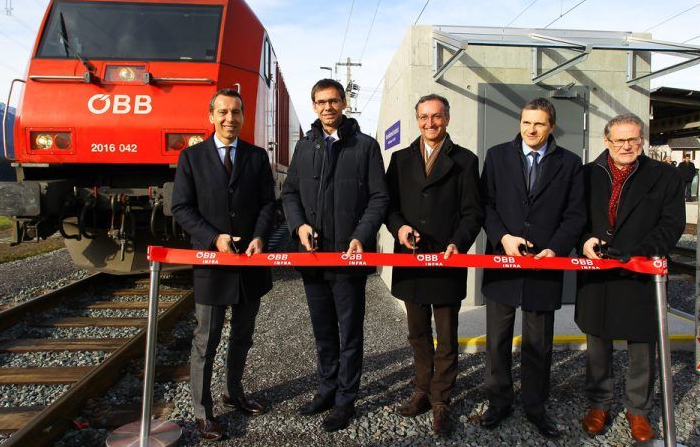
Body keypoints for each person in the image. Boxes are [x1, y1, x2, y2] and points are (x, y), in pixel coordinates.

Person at [281, 78, 389, 432]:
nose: (327, 107)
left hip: (348, 257)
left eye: (333, 100)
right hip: (312, 257)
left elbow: (379, 198)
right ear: (314, 106)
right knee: (323, 330)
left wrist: (360, 236)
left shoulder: (366, 147)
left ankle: (346, 400)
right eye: (320, 102)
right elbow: (290, 193)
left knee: (350, 332)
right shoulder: (304, 147)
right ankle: (327, 389)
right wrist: (298, 227)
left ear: (344, 103)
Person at [171, 88, 276, 441]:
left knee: (242, 336)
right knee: (207, 339)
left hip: (250, 263)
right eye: (223, 112)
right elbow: (181, 208)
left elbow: (267, 204)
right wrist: (214, 237)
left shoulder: (257, 157)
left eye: (236, 112)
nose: (230, 118)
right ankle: (202, 412)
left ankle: (234, 392)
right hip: (212, 264)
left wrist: (260, 236)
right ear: (211, 116)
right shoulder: (191, 158)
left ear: (243, 117)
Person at [479, 97, 586, 439]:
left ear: (551, 126)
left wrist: (555, 248)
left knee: (539, 343)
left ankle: (535, 404)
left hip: (545, 264)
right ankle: (499, 401)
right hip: (503, 261)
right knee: (497, 339)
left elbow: (575, 214)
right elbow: (486, 204)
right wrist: (502, 238)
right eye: (526, 122)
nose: (531, 129)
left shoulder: (569, 163)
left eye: (539, 123)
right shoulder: (497, 156)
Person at [576, 113, 685, 442]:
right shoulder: (586, 175)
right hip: (599, 273)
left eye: (633, 139)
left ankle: (638, 410)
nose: (626, 146)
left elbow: (671, 223)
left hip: (640, 273)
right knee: (597, 342)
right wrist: (583, 240)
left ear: (642, 141)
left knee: (642, 346)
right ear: (607, 141)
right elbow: (573, 216)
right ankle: (599, 404)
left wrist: (640, 251)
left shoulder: (664, 176)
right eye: (619, 140)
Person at [385, 94, 483, 436]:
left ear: (447, 119)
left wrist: (459, 241)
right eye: (424, 117)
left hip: (446, 259)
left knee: (447, 335)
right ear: (417, 119)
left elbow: (473, 211)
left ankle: (442, 399)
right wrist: (399, 228)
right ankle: (422, 390)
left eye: (437, 117)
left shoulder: (466, 161)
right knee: (417, 334)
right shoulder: (399, 160)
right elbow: (389, 206)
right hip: (410, 260)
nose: (430, 123)